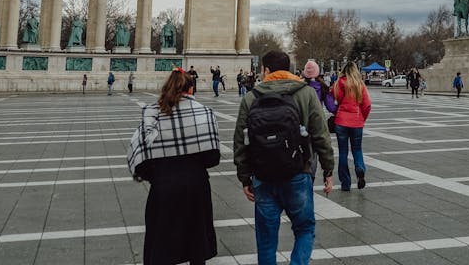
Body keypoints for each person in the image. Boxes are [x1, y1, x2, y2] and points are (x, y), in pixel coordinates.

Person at [234, 51, 333, 265]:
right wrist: (328, 170)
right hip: (298, 172)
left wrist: (244, 177)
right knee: (305, 229)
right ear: (288, 69)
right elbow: (321, 134)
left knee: (266, 240)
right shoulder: (306, 93)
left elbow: (240, 141)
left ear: (267, 70)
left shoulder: (251, 97)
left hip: (263, 175)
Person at [128, 67, 221, 265]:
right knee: (196, 240)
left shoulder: (151, 114)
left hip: (163, 185)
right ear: (190, 90)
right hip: (196, 185)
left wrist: (160, 174)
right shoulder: (205, 113)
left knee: (161, 240)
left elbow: (141, 158)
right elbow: (213, 157)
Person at [332, 61, 371, 192]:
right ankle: (359, 167)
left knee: (343, 152)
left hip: (341, 121)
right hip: (356, 121)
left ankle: (345, 183)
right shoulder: (360, 84)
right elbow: (367, 105)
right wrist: (362, 119)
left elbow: (334, 98)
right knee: (357, 149)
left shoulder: (339, 83)